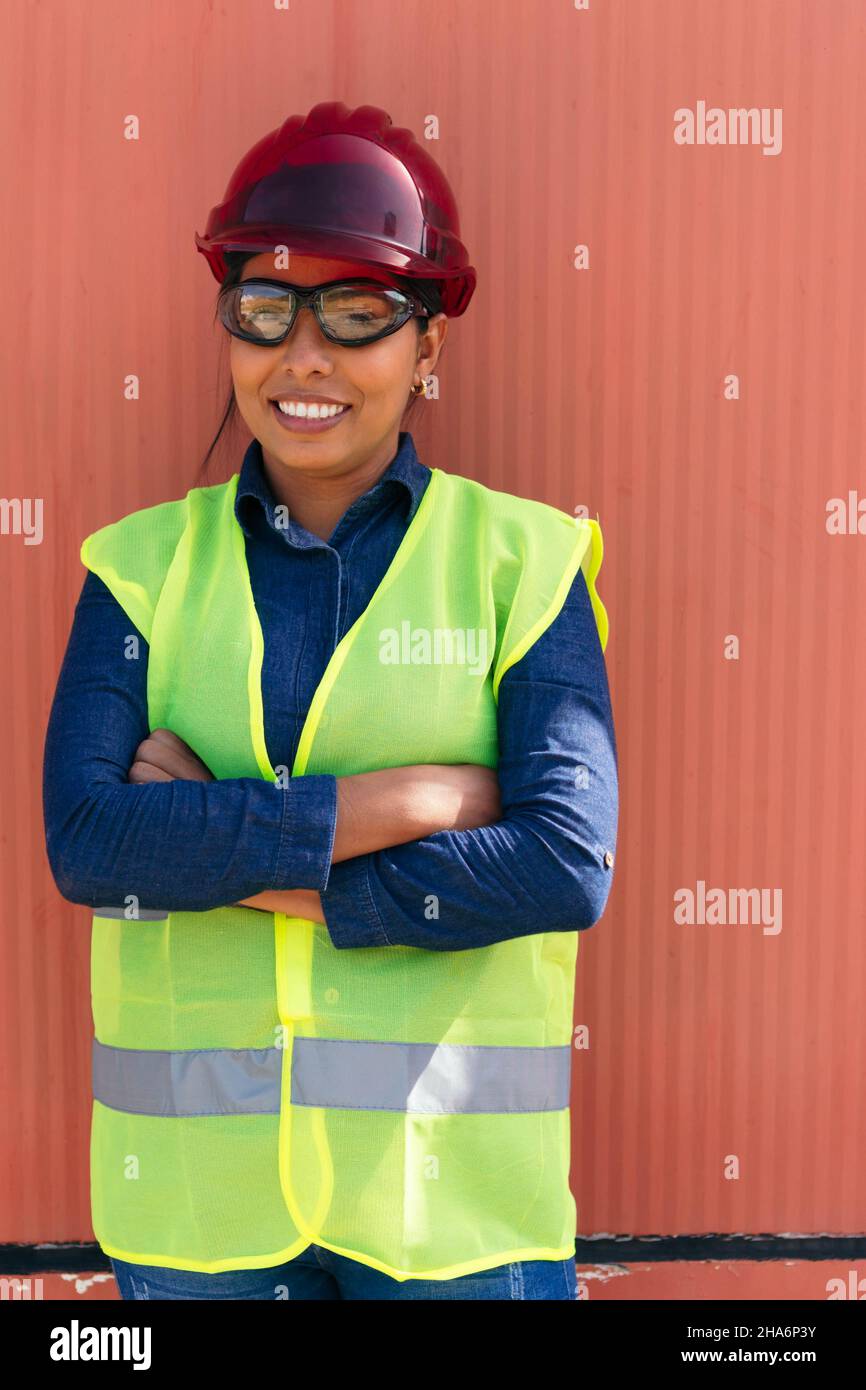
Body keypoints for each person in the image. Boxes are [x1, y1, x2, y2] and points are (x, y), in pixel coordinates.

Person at [42, 101, 618, 1301]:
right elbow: (92, 841)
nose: (302, 357)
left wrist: (253, 868)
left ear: (427, 347)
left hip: (455, 1217)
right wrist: (400, 799)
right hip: (202, 1218)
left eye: (357, 315)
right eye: (264, 310)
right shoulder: (140, 567)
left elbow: (564, 861)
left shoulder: (523, 564)